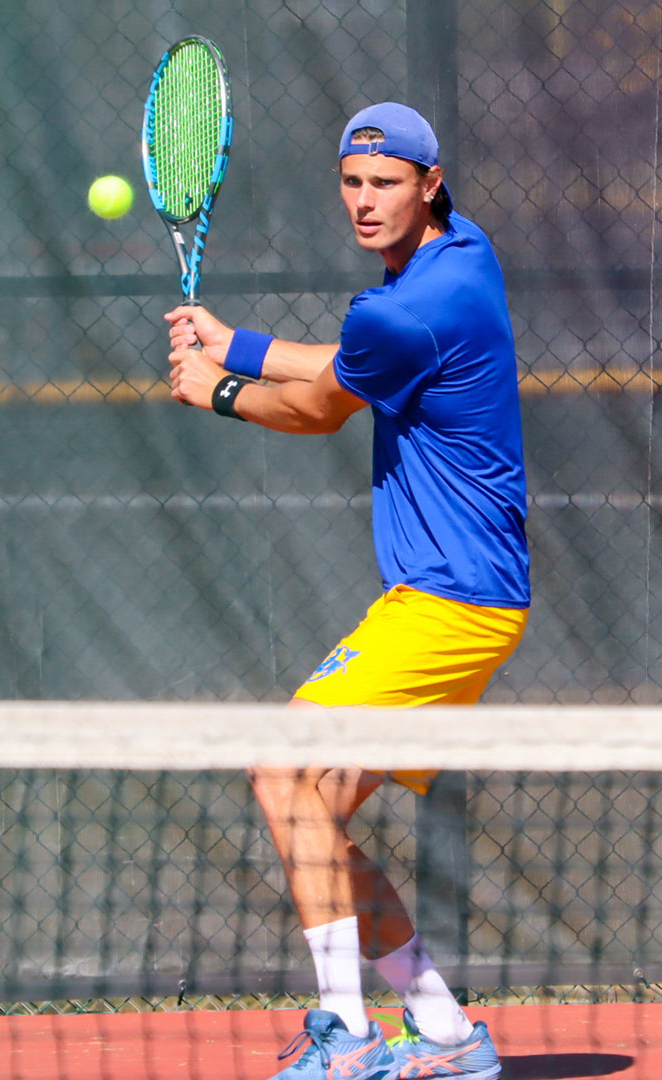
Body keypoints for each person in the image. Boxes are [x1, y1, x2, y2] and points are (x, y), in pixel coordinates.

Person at [163, 102, 527, 1080]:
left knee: (279, 766)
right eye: (353, 183)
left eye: (387, 183)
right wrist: (233, 344)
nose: (366, 203)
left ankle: (349, 1033)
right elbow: (343, 364)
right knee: (311, 802)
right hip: (456, 600)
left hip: (449, 603)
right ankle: (446, 1034)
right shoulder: (465, 257)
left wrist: (220, 391)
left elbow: (324, 405)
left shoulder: (405, 308)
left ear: (429, 182)